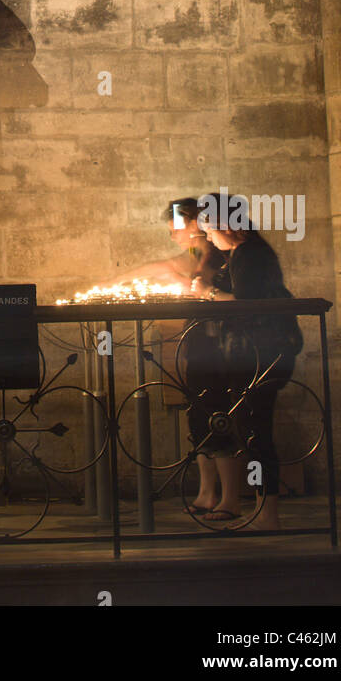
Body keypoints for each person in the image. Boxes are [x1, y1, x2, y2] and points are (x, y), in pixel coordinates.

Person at [189, 192, 303, 531]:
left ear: (223, 224)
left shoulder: (251, 253)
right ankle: (261, 511)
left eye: (208, 229)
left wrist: (206, 294)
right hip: (249, 354)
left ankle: (268, 515)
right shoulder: (242, 252)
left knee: (257, 432)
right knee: (250, 430)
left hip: (262, 355)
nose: (206, 237)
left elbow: (247, 303)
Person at [109, 197, 226, 514]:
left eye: (175, 225)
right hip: (200, 341)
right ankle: (207, 491)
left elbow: (198, 280)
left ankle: (222, 495)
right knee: (198, 411)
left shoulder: (217, 251)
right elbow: (174, 265)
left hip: (220, 345)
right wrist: (125, 278)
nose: (172, 233)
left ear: (192, 224)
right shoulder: (195, 251)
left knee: (216, 411)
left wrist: (180, 282)